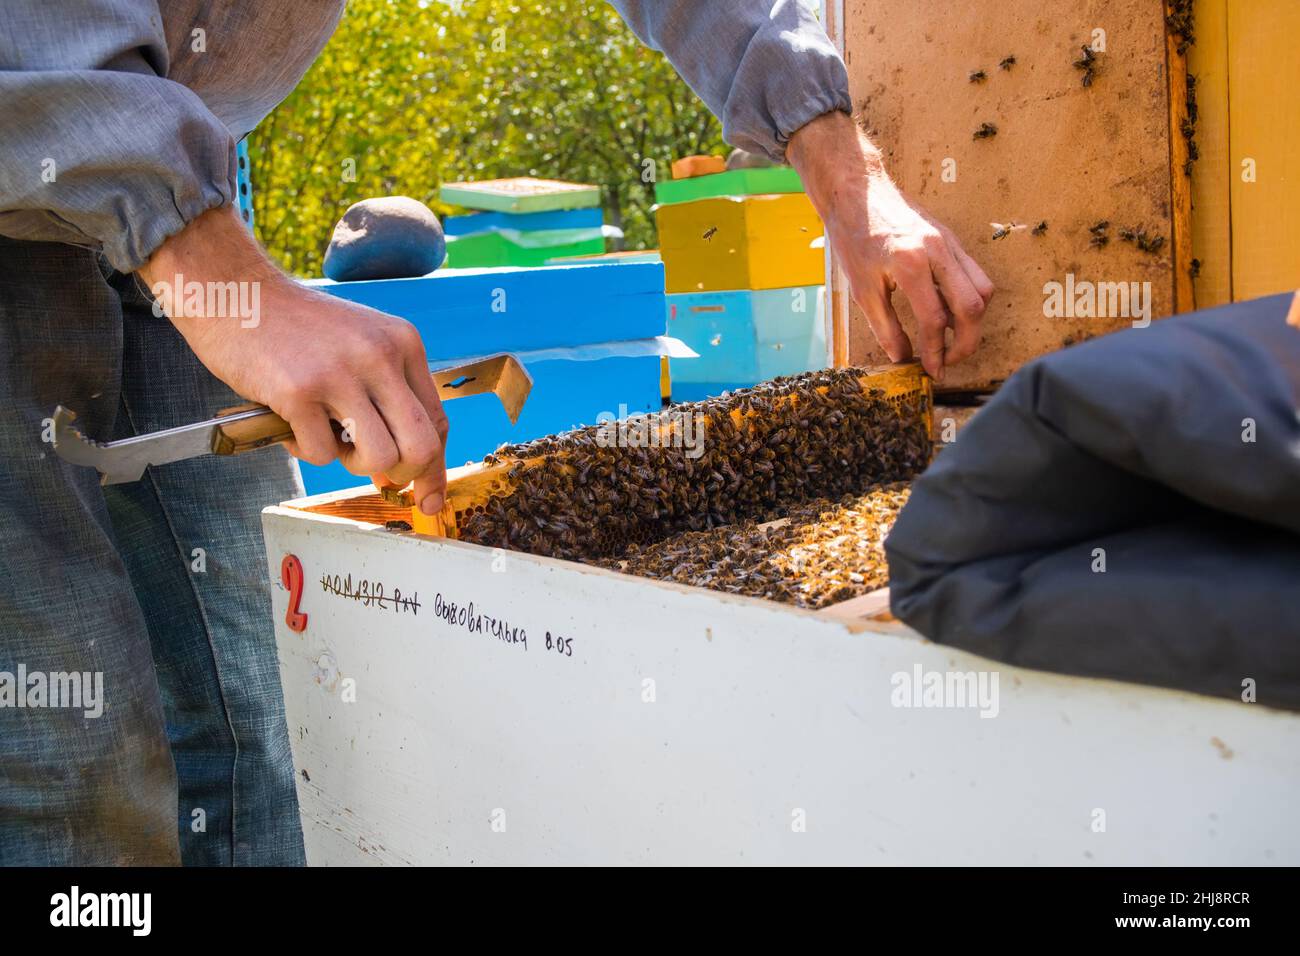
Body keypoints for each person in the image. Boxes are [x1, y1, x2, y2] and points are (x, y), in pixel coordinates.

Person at [0, 0, 991, 865]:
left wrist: (847, 177)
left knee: (264, 711)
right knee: (73, 756)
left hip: (164, 184)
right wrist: (230, 274)